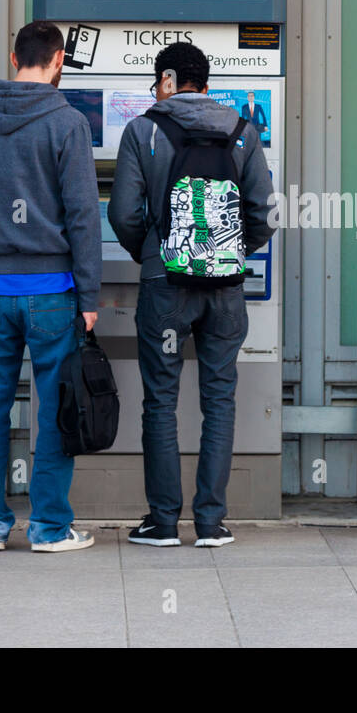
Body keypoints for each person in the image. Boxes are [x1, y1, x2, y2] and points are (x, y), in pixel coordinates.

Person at [109, 42, 273, 548]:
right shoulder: (244, 131)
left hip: (166, 289)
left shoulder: (142, 130)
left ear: (167, 79)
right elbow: (265, 212)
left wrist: (154, 254)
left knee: (160, 401)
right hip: (225, 291)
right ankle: (210, 523)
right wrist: (229, 250)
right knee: (219, 400)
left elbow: (123, 213)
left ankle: (162, 523)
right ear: (205, 82)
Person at [0, 20, 102, 553]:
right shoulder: (66, 121)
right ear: (59, 59)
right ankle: (47, 528)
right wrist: (88, 298)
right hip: (50, 289)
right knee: (56, 409)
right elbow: (83, 215)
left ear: (12, 54)